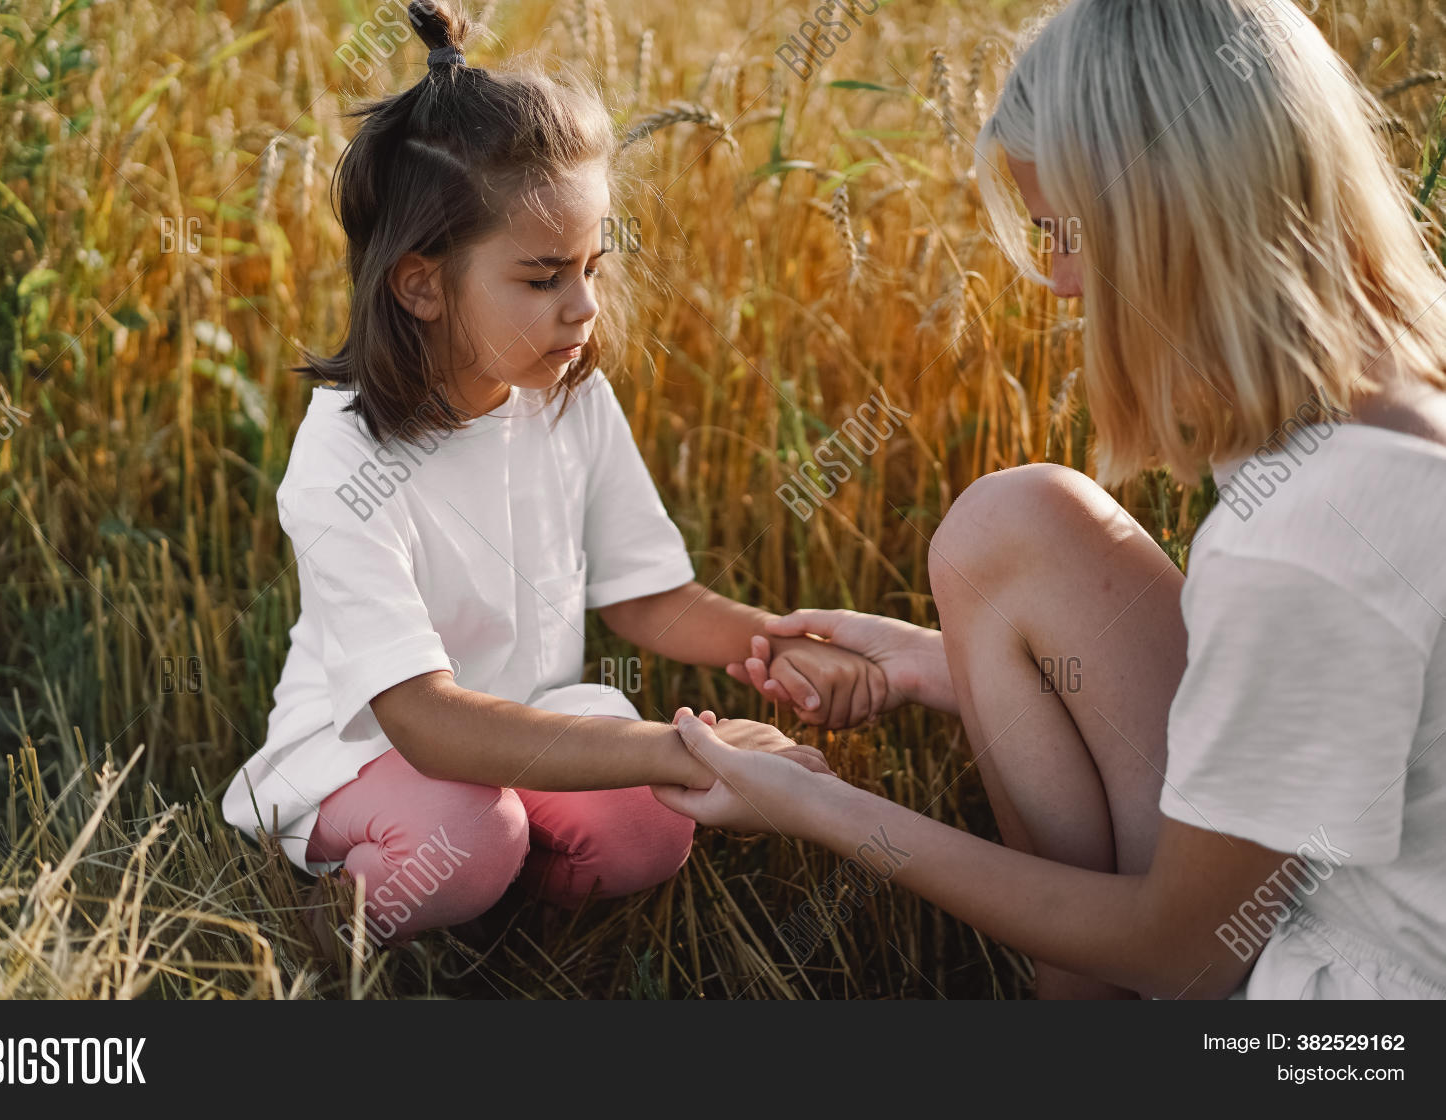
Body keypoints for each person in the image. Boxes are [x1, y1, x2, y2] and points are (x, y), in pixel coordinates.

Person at [682, 0, 1446, 999]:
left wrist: (817, 808)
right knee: (1017, 529)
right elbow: (1329, 724)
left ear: (1175, 211)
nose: (1057, 280)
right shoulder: (1387, 407)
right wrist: (941, 663)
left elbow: (1183, 951)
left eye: (1068, 230)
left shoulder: (1307, 536)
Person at [219, 0, 862, 949]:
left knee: (648, 824)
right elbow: (430, 726)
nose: (584, 310)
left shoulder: (567, 396)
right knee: (467, 831)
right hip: (372, 760)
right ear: (422, 283)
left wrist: (776, 645)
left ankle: (504, 929)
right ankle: (316, 926)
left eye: (593, 268)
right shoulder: (343, 459)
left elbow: (653, 601)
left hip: (537, 729)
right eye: (542, 277)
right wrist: (694, 747)